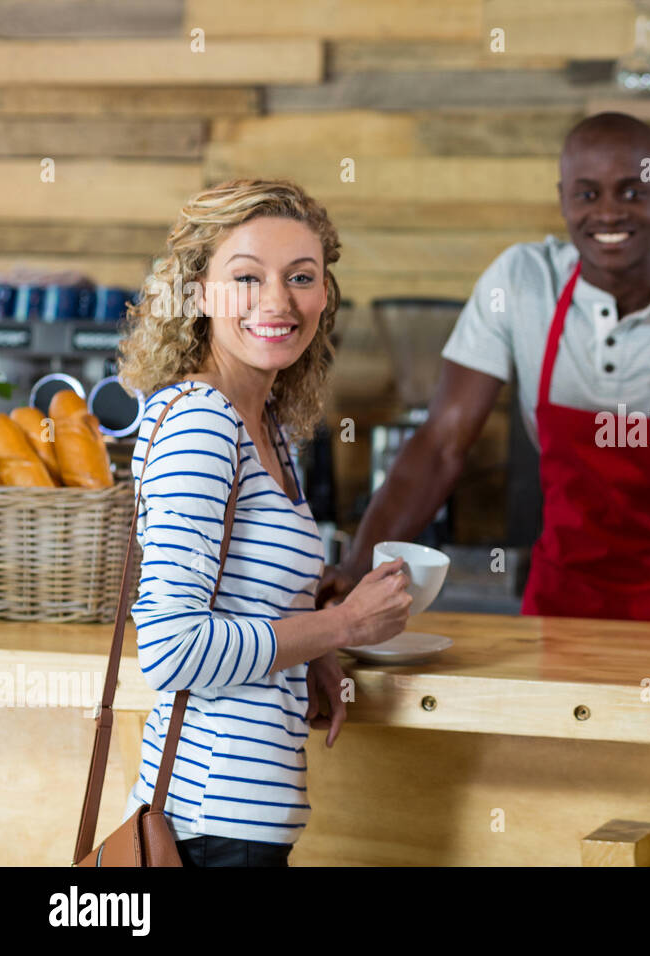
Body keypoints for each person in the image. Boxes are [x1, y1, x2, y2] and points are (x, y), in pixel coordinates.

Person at [319, 112, 650, 626]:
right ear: (563, 201)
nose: (610, 213)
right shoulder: (519, 280)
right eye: (588, 194)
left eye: (631, 192)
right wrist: (359, 567)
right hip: (558, 615)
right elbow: (442, 442)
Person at [116, 179, 412, 867]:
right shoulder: (200, 423)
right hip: (209, 826)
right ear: (198, 295)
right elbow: (172, 649)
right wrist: (345, 626)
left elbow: (240, 605)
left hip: (238, 823)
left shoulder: (266, 428)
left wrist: (310, 649)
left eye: (300, 278)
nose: (278, 302)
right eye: (246, 277)